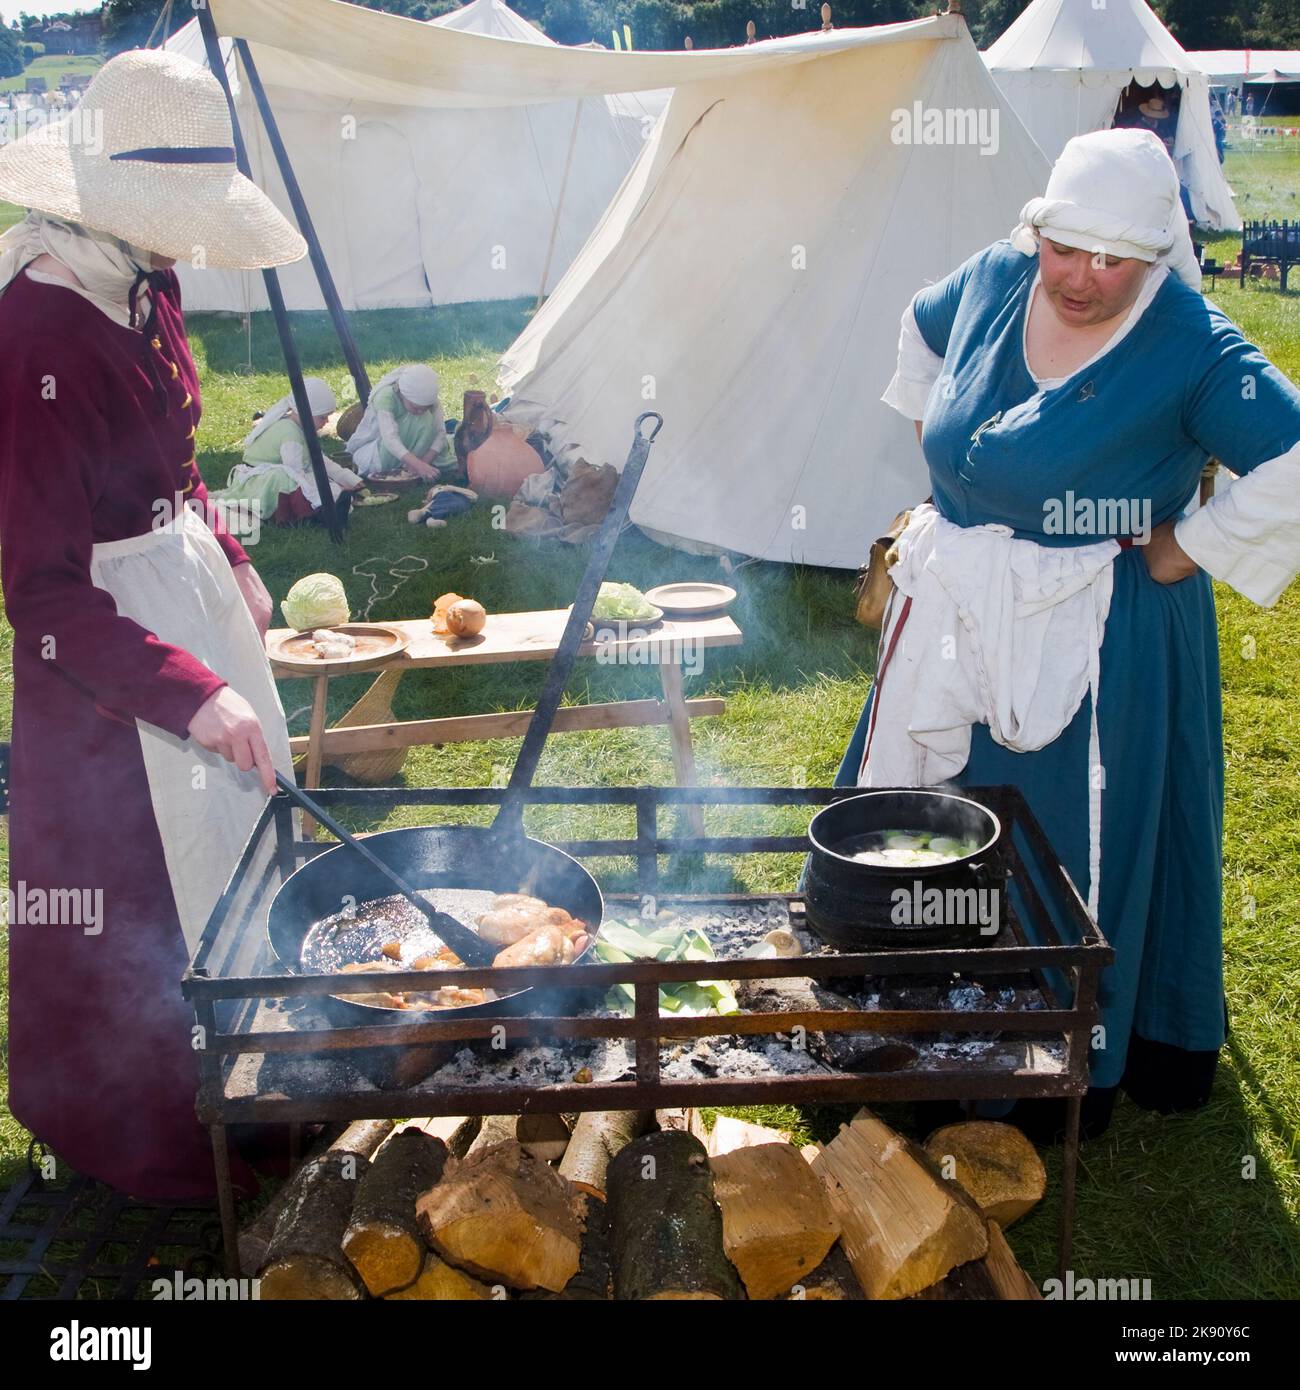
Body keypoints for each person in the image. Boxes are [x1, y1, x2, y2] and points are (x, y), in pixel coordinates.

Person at [841, 128, 1300, 1138]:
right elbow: (918, 324)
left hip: (1101, 631)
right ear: (1037, 229)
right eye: (1066, 249)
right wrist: (940, 450)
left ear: (1155, 253)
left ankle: (1049, 1054)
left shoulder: (1189, 342)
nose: (1084, 277)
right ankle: (907, 1023)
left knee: (1053, 845)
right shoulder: (996, 276)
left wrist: (1187, 545)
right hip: (956, 605)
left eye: (1114, 259)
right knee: (920, 823)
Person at [0, 50, 309, 1199]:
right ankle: (154, 1138)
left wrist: (232, 559)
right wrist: (186, 689)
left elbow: (174, 457)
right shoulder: (36, 337)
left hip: (184, 601)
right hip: (102, 660)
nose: (184, 244)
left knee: (239, 844)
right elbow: (40, 591)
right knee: (137, 891)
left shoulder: (141, 278)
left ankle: (264, 1089)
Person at [216, 376, 363, 525]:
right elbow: (295, 474)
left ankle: (330, 506)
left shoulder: (300, 428)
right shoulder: (290, 434)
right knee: (287, 479)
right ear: (305, 413)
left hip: (285, 475)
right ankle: (318, 514)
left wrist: (349, 479)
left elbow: (319, 461)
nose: (327, 421)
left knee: (325, 486)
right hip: (259, 483)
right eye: (322, 417)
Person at [345, 363, 448, 480]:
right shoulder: (386, 397)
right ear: (402, 393)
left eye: (425, 408)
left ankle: (410, 466)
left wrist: (425, 462)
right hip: (380, 449)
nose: (420, 411)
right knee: (423, 419)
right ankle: (407, 464)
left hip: (414, 453)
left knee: (427, 419)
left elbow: (440, 433)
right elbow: (390, 438)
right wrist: (418, 465)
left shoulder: (431, 401)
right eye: (415, 407)